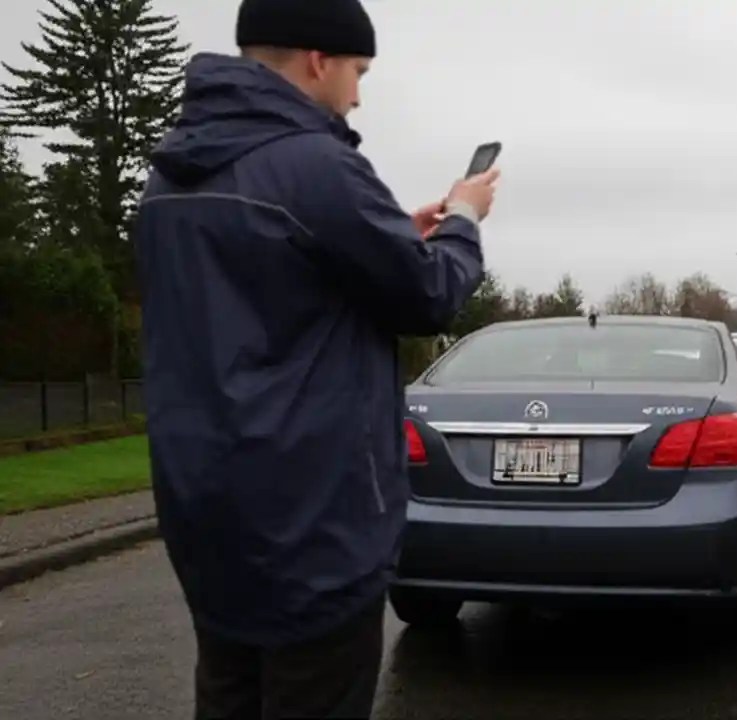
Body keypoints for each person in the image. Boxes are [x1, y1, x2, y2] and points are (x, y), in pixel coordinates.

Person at [133, 0, 496, 717]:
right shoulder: (316, 165)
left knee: (230, 689)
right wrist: (462, 221)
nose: (358, 93)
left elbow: (271, 292)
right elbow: (428, 298)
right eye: (358, 72)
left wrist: (390, 234)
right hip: (314, 518)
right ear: (318, 60)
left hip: (204, 508)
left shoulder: (168, 179)